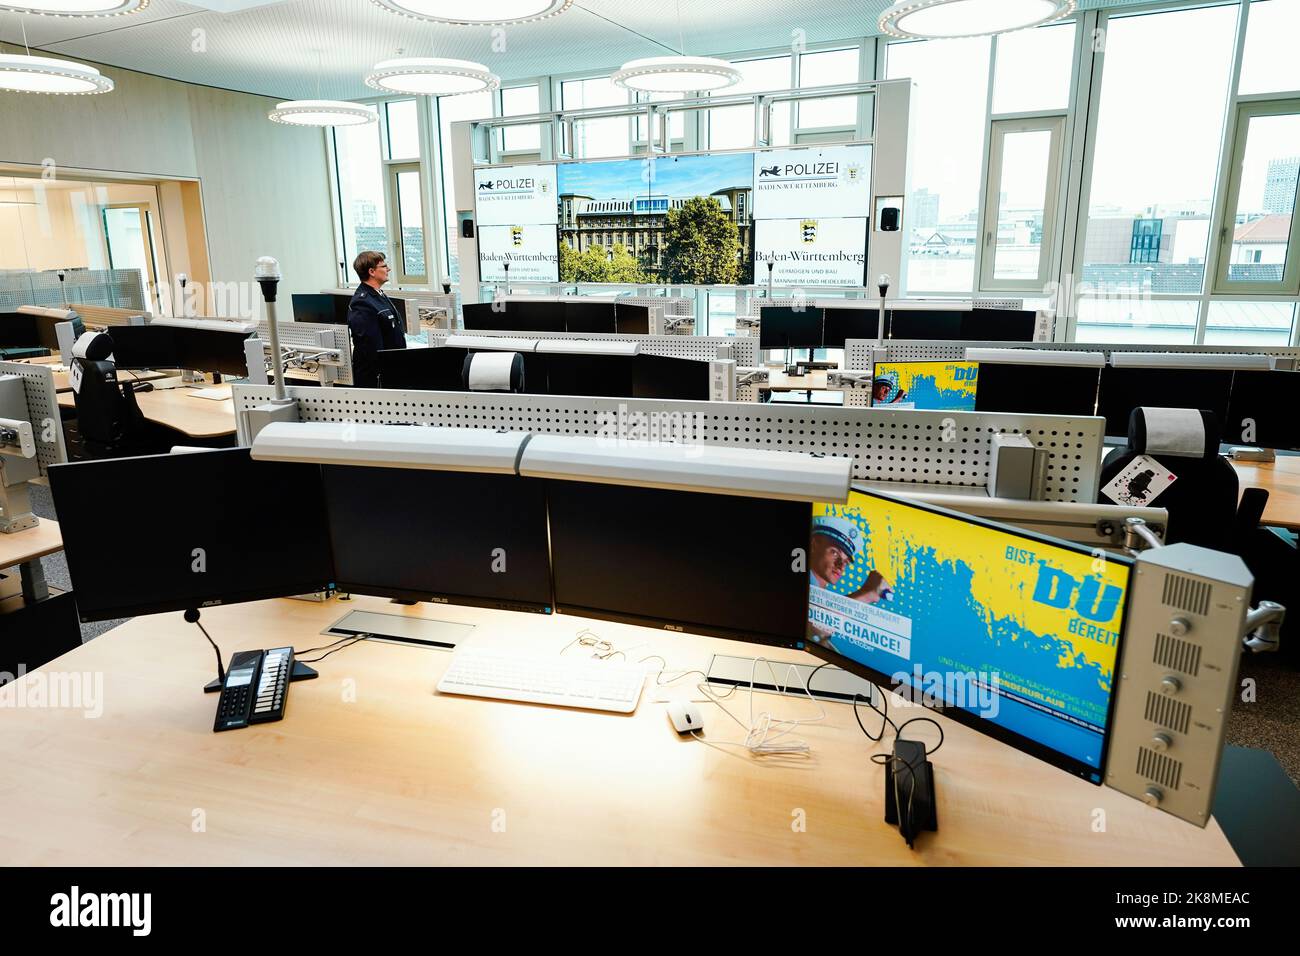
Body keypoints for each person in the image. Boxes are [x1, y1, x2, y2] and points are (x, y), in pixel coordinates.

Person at [347, 251, 405, 388]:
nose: (388, 269)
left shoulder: (378, 295)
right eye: (384, 266)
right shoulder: (362, 303)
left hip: (391, 370)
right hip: (377, 378)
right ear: (372, 271)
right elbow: (371, 348)